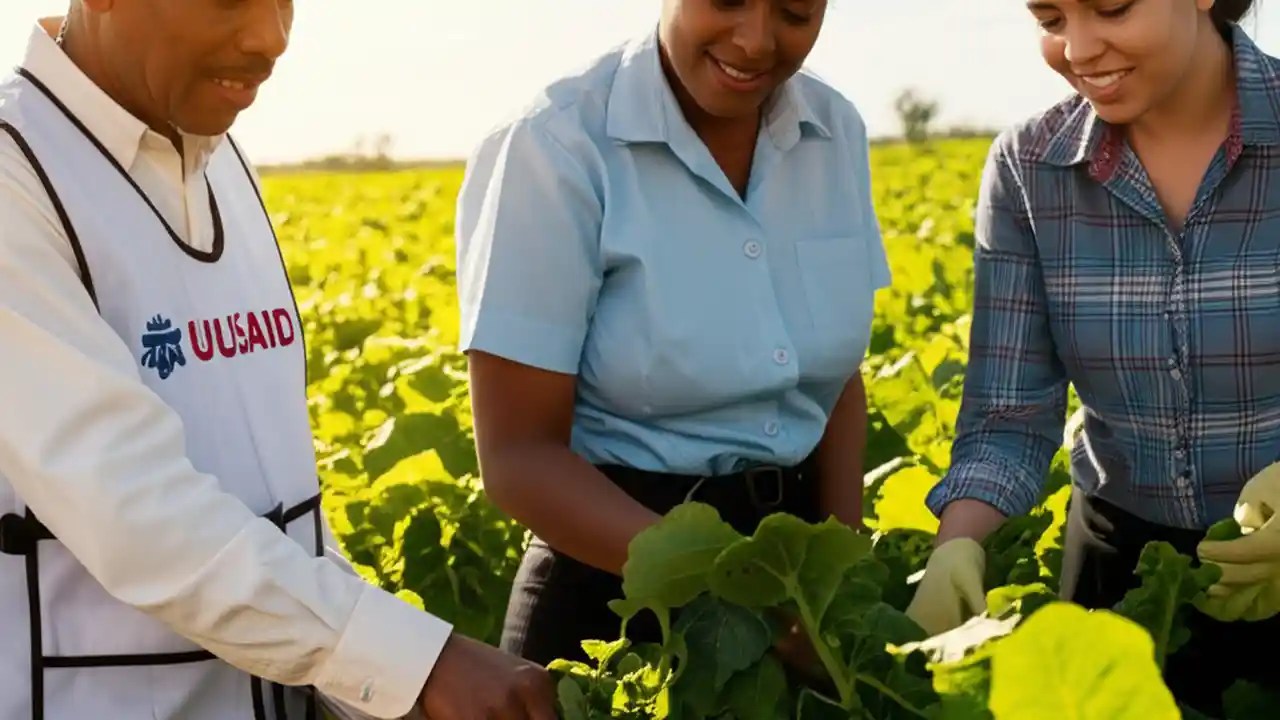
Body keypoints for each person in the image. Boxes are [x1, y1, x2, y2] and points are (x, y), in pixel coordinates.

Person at [0, 4, 555, 720]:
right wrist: (416, 663)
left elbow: (277, 504)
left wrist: (380, 687)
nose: (272, 38)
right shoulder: (18, 173)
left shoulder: (221, 161)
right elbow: (133, 508)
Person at [454, 0, 891, 667]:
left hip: (797, 597)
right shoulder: (556, 144)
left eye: (795, 13)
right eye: (726, 2)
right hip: (616, 604)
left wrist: (838, 575)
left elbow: (831, 382)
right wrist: (748, 596)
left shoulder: (835, 130)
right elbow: (520, 459)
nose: (754, 41)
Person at [905, 0, 1280, 714]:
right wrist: (957, 544)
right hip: (1116, 574)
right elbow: (1008, 417)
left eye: (1111, 7)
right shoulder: (1029, 168)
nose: (1077, 48)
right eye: (1049, 18)